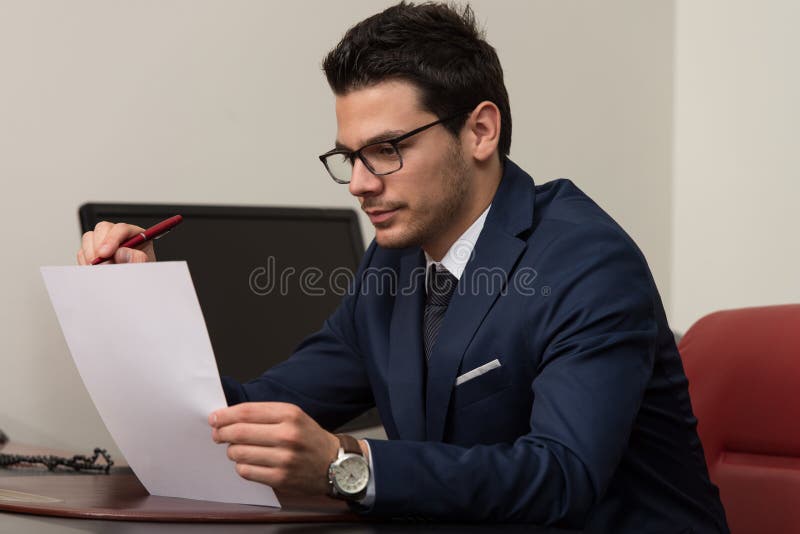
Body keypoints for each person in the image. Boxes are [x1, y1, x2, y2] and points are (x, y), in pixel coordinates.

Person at [77, 2, 730, 531]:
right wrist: (141, 303)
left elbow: (562, 477)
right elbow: (253, 413)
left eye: (387, 149)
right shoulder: (393, 263)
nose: (360, 184)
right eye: (349, 157)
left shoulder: (588, 262)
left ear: (480, 131)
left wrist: (347, 465)